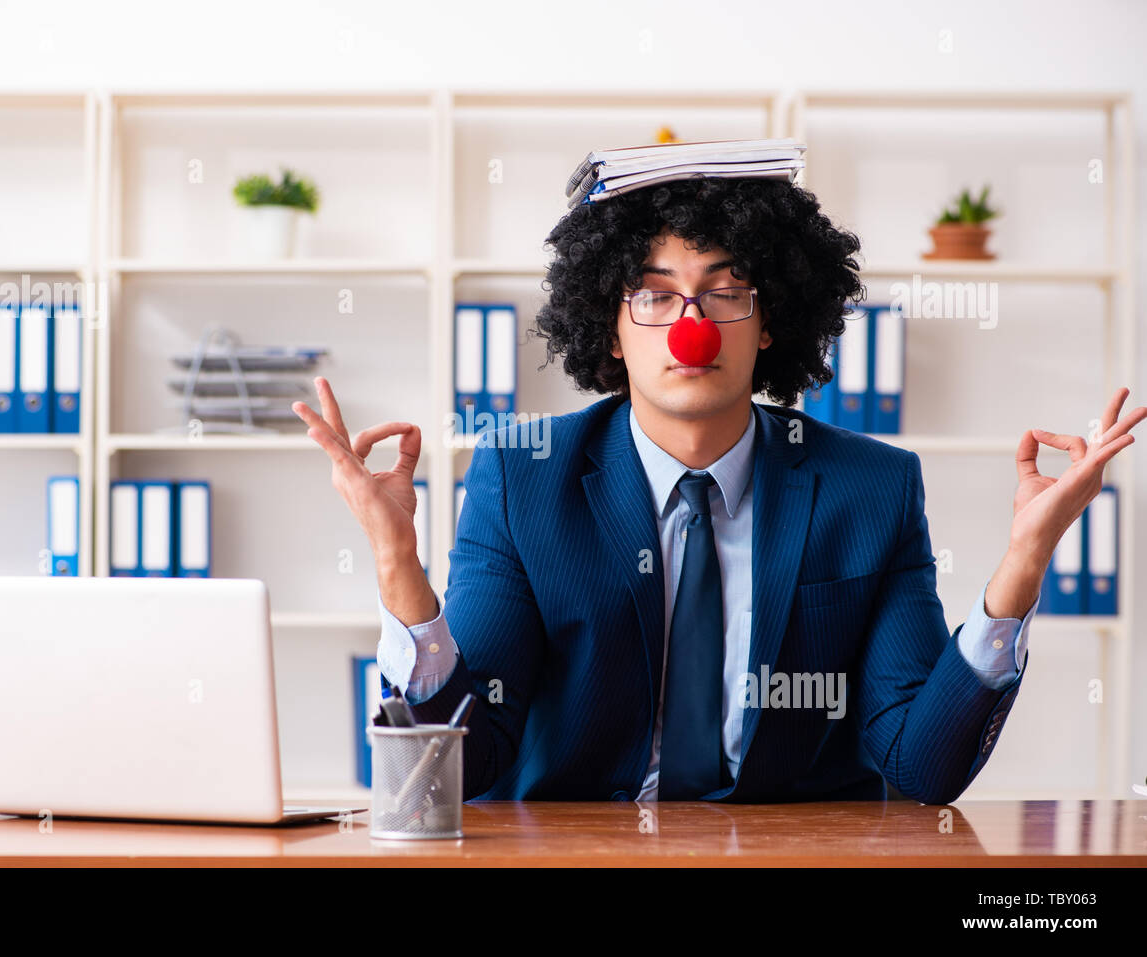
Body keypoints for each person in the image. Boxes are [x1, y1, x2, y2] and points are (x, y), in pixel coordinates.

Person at [293, 176, 1143, 803]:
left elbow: (922, 768)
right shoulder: (524, 475)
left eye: (724, 292)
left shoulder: (871, 487)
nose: (690, 327)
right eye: (654, 296)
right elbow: (462, 766)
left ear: (770, 323)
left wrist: (1024, 560)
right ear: (611, 328)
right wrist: (398, 564)